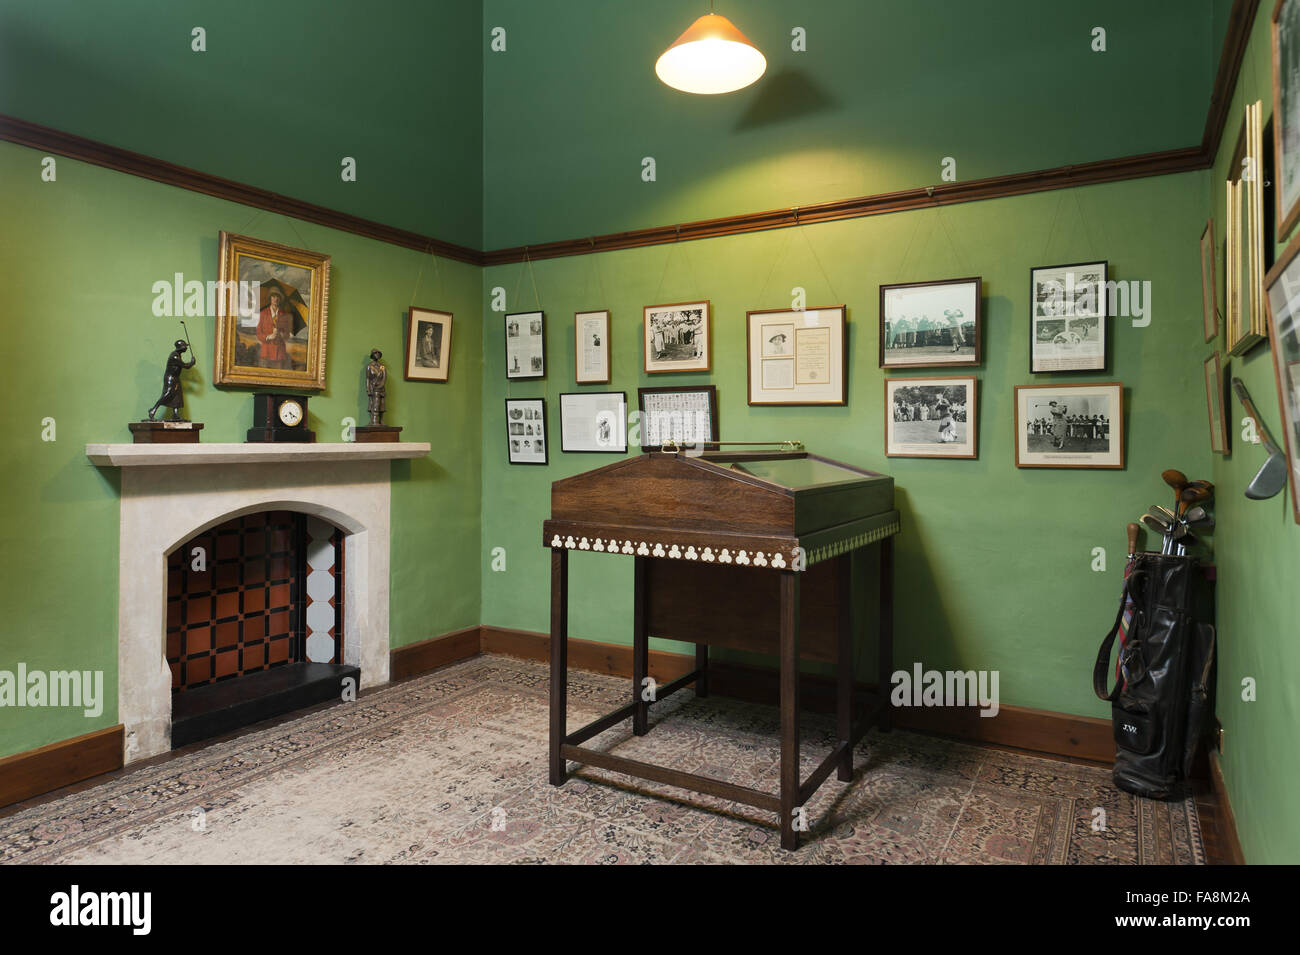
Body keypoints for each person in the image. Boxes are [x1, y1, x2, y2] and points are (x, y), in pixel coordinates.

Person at [147, 339, 196, 420]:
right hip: (170, 378)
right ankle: (153, 410)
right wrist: (192, 363)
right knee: (168, 393)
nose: (186, 348)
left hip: (176, 378)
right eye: (185, 347)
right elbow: (185, 366)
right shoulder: (175, 356)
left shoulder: (178, 355)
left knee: (177, 395)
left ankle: (175, 414)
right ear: (181, 348)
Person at [256, 288, 296, 370]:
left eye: (278, 297)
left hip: (279, 354)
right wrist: (268, 337)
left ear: (280, 299)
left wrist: (281, 335)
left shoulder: (284, 315)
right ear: (270, 298)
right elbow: (259, 333)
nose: (275, 299)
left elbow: (287, 335)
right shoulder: (263, 313)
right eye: (273, 296)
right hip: (266, 353)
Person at [365, 349, 387, 426]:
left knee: (382, 404)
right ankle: (373, 420)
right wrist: (368, 389)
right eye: (375, 353)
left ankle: (381, 420)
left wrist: (381, 385)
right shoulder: (369, 366)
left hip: (381, 388)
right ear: (372, 355)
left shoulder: (382, 367)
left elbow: (384, 378)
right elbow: (367, 378)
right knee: (373, 403)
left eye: (378, 353)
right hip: (373, 387)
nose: (377, 354)